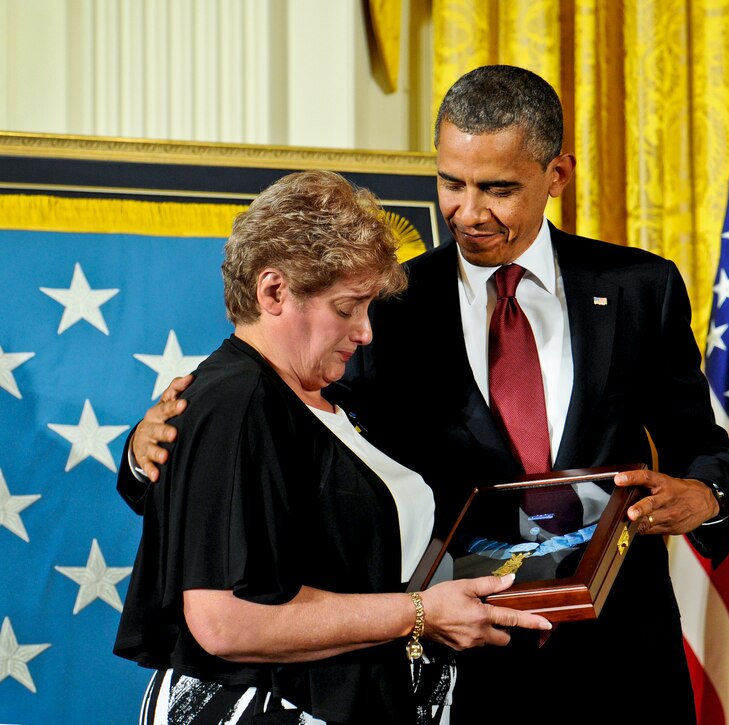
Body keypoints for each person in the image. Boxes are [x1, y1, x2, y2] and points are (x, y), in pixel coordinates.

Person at [121, 66, 729, 724]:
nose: (468, 211)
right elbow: (269, 444)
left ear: (556, 174)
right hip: (458, 671)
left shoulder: (638, 289)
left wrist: (703, 496)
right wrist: (146, 452)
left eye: (498, 188)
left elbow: (707, 449)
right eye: (452, 183)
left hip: (620, 659)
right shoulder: (385, 303)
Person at [113, 169, 551, 725]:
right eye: (347, 308)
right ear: (273, 291)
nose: (366, 331)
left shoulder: (322, 397)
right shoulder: (238, 402)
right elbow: (226, 621)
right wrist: (419, 614)